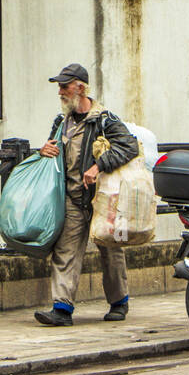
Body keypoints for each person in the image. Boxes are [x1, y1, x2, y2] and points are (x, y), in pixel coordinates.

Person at [34, 63, 140, 326]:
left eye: (64, 86)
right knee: (65, 251)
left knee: (111, 250)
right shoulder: (62, 122)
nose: (60, 91)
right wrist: (44, 149)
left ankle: (119, 303)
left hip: (103, 198)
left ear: (80, 87)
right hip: (72, 198)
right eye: (59, 86)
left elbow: (130, 147)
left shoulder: (104, 119)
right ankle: (62, 309)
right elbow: (53, 152)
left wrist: (98, 165)